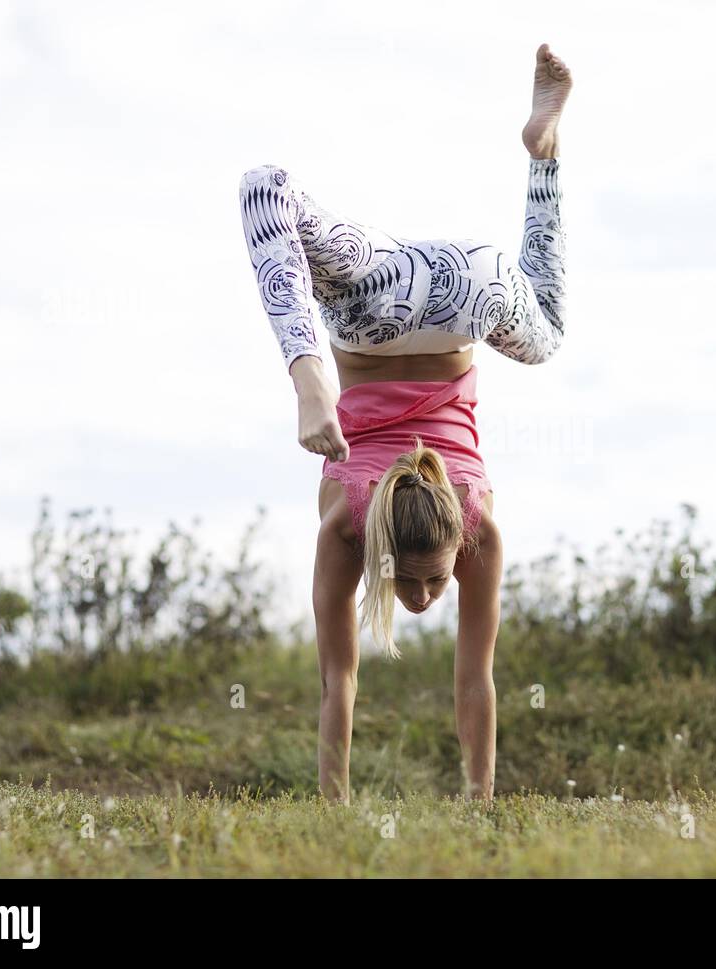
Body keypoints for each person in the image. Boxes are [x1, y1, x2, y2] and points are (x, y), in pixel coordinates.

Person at [237, 43, 573, 804]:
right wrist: (469, 798)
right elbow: (466, 678)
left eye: (422, 581)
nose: (423, 596)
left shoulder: (383, 527)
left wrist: (347, 802)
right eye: (423, 582)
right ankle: (544, 155)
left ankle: (308, 370)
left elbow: (341, 678)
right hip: (455, 288)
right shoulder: (457, 528)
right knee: (545, 330)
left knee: (267, 191)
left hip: (410, 295)